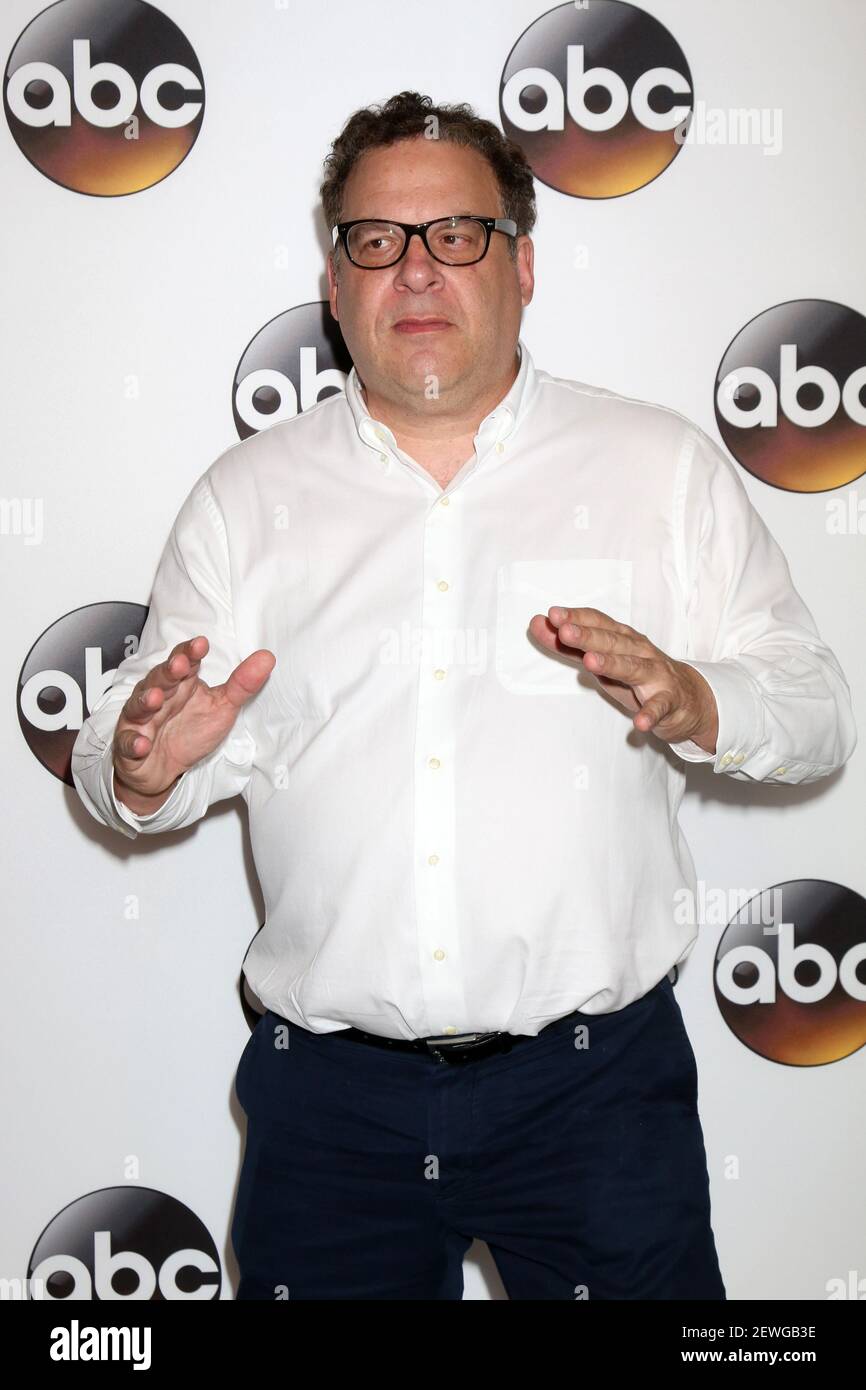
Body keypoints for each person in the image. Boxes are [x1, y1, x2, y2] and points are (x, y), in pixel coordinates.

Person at [71, 91, 856, 1301]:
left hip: (596, 1096)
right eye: (376, 242)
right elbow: (140, 745)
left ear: (523, 263)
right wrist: (136, 766)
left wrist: (698, 697)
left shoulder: (654, 468)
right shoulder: (245, 498)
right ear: (335, 284)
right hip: (329, 1108)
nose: (417, 271)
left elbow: (811, 711)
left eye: (458, 235)